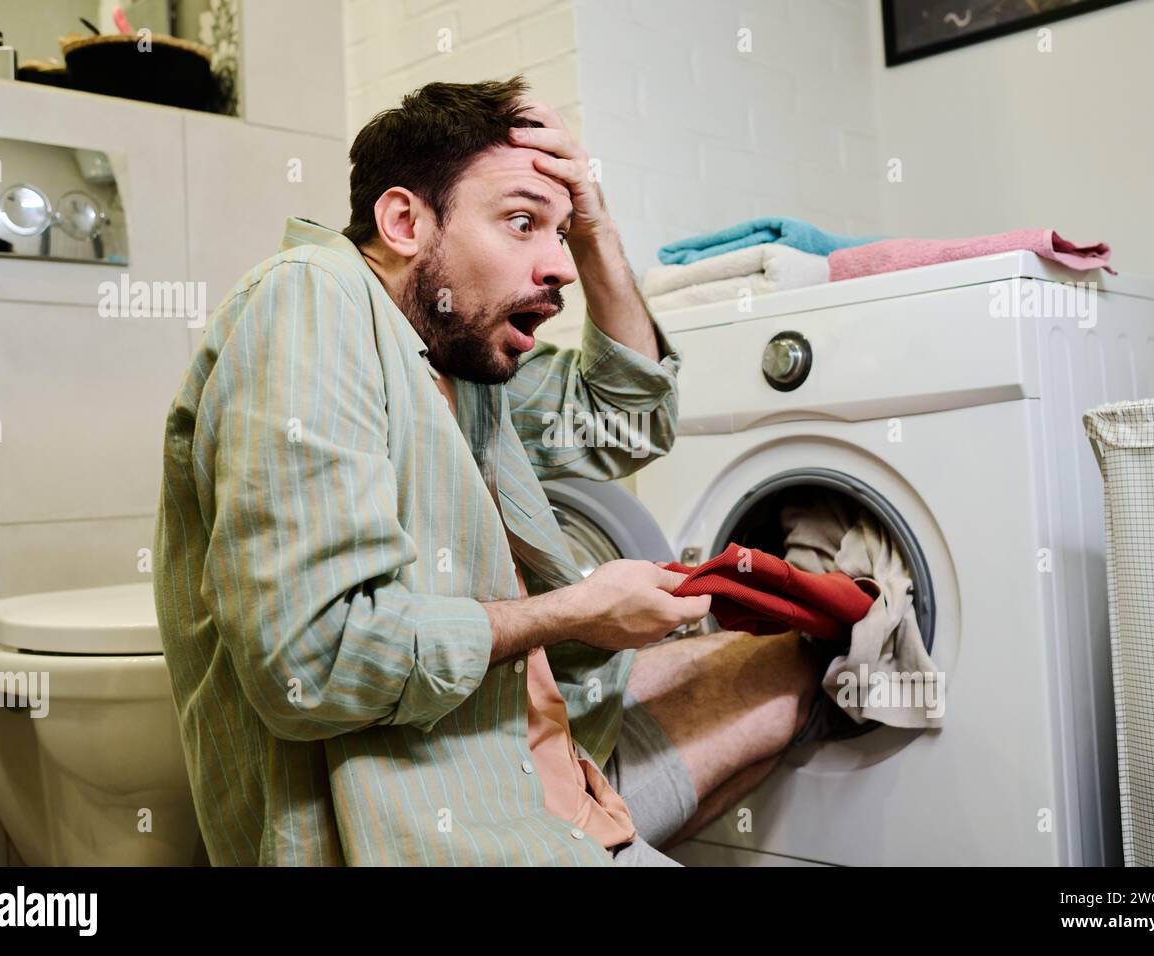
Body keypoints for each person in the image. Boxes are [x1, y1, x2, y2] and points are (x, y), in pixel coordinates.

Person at [154, 75, 819, 866]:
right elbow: (320, 659)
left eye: (560, 233)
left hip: (532, 756)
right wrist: (574, 613)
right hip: (424, 824)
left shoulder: (459, 362)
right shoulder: (310, 303)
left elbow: (629, 418)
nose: (560, 267)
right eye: (520, 222)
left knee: (795, 661)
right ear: (403, 220)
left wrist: (596, 226)